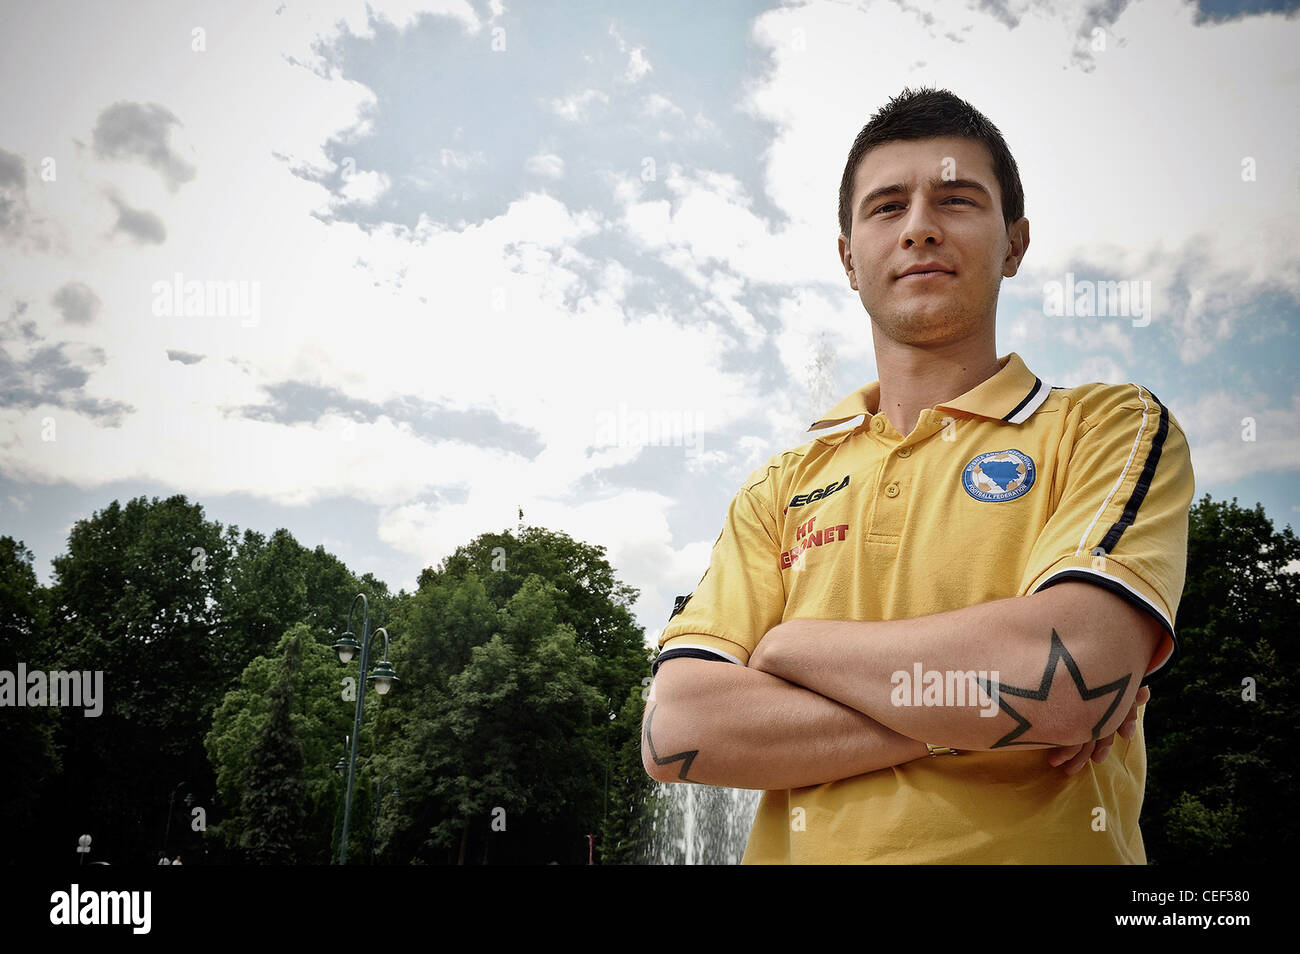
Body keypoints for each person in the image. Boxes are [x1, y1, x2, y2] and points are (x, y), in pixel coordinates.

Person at [642, 87, 1194, 864]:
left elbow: (1070, 676)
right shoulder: (778, 487)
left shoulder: (1109, 427)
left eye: (958, 199)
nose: (920, 227)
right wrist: (991, 712)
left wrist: (792, 647)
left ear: (1014, 242)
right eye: (887, 206)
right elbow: (680, 730)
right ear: (848, 258)